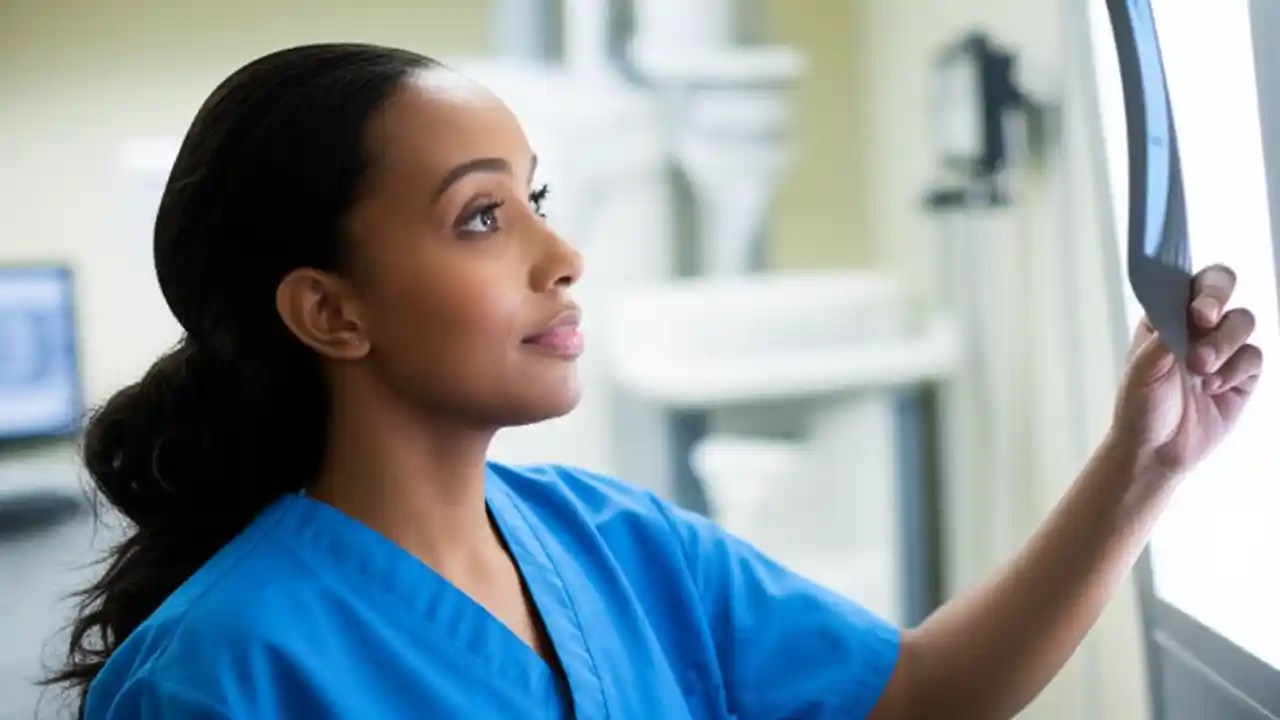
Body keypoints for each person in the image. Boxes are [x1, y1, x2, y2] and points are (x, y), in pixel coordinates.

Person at [45, 44, 1262, 720]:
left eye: (538, 199)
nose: (560, 256)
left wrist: (1143, 465)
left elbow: (919, 698)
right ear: (329, 310)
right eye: (479, 217)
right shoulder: (222, 676)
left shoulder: (617, 544)